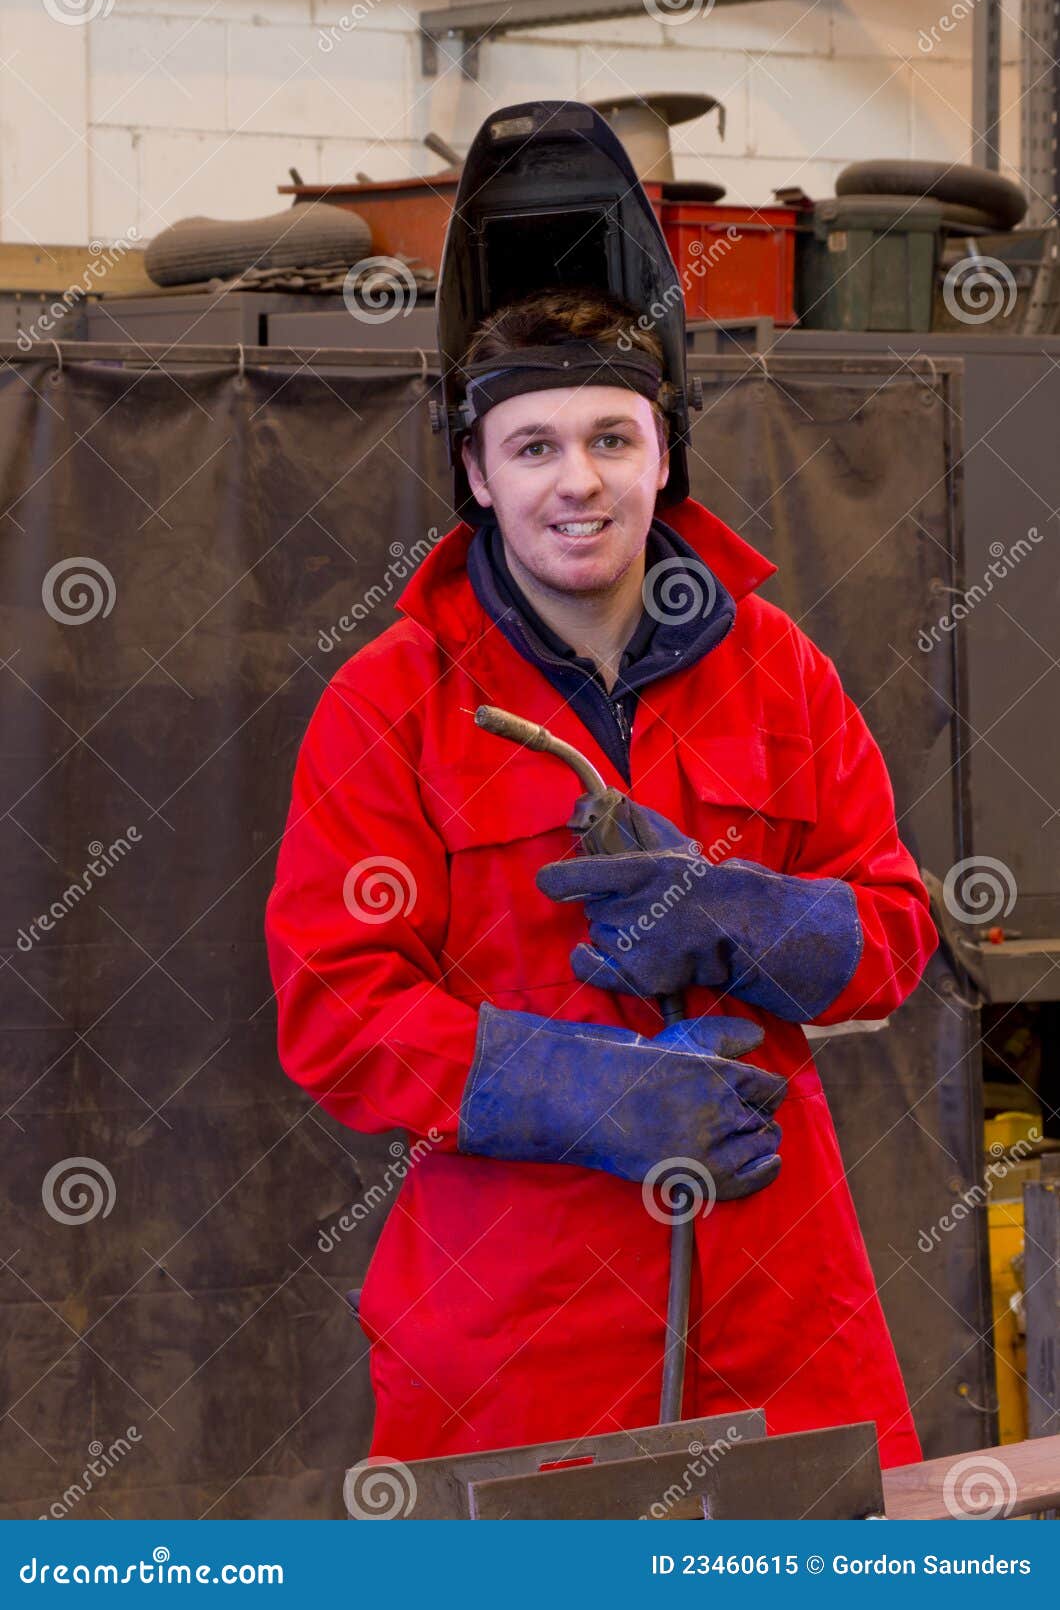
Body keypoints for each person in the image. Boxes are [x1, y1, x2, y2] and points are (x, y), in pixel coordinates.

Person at [264, 274, 938, 1474]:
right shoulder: (395, 699)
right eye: (534, 445)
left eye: (611, 437)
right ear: (478, 472)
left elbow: (893, 931)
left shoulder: (776, 667)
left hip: (779, 1300)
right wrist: (589, 1091)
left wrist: (748, 918)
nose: (577, 481)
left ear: (661, 452)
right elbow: (337, 1011)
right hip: (517, 1322)